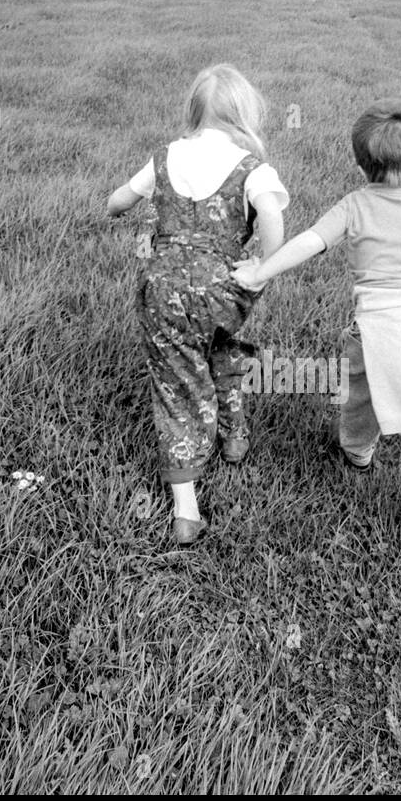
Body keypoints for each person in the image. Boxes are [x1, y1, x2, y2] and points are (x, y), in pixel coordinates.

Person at [231, 100, 401, 568]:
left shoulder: (354, 205)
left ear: (360, 167)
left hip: (371, 329)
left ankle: (357, 452)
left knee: (362, 393)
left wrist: (260, 272)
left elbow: (310, 242)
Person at [107, 64, 288, 545]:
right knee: (221, 346)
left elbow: (120, 200)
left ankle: (186, 510)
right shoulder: (252, 168)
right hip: (223, 290)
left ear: (194, 111)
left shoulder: (167, 156)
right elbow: (271, 212)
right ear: (243, 116)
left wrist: (114, 206)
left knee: (177, 384)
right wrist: (263, 266)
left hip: (163, 290)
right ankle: (233, 436)